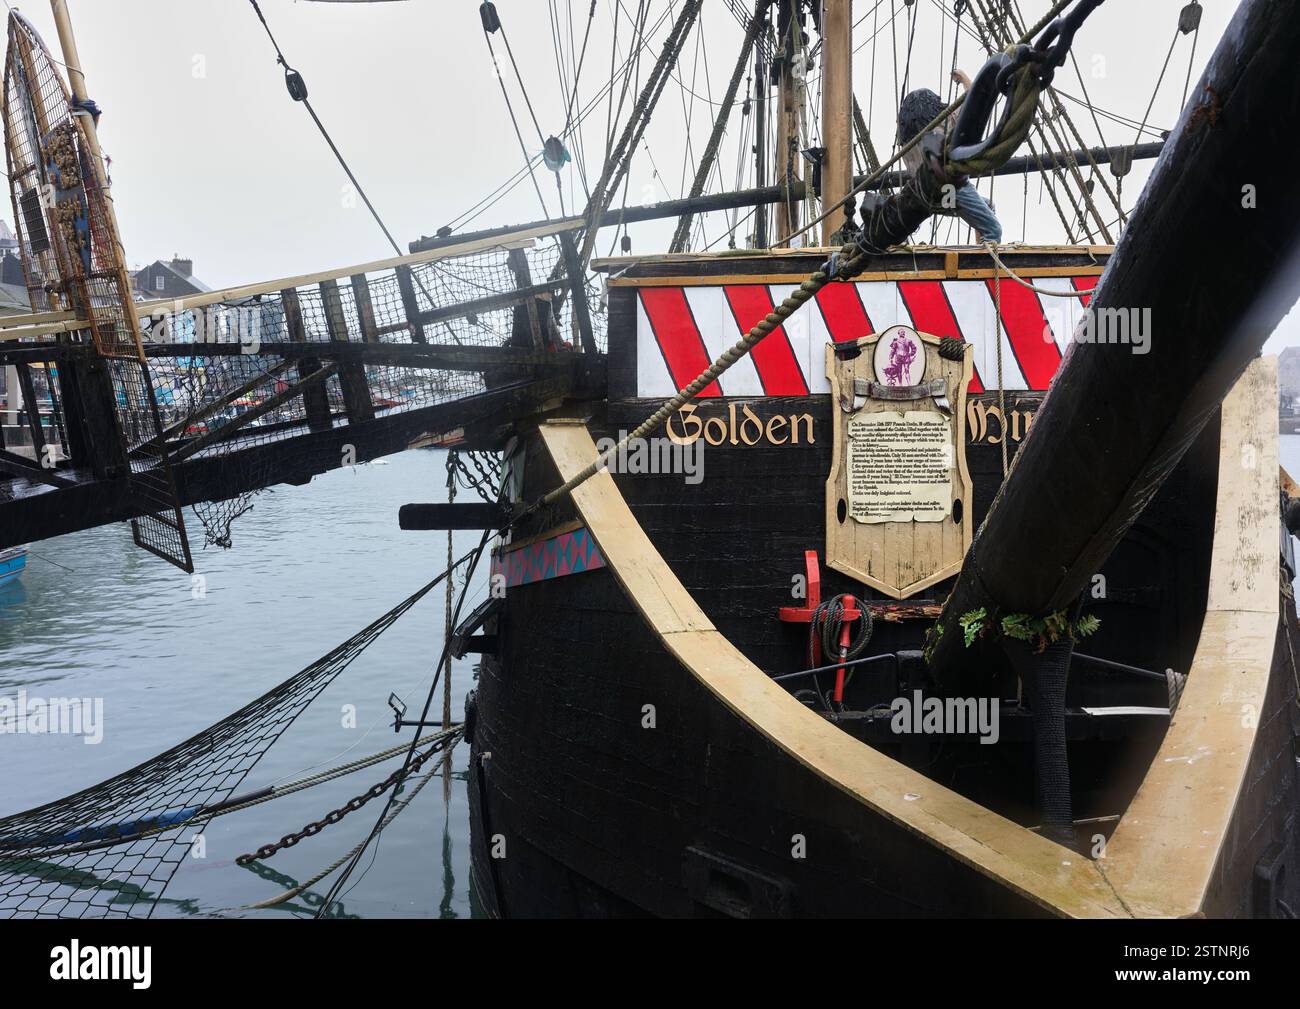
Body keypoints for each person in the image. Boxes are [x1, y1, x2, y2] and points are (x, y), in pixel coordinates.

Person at [897, 70, 1003, 244]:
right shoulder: (943, 122)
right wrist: (963, 78)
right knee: (993, 229)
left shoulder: (905, 140)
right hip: (952, 191)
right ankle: (984, 256)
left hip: (925, 197)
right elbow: (974, 100)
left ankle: (981, 249)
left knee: (987, 205)